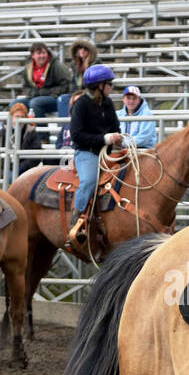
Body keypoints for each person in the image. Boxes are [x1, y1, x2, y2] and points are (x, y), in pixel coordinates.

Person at [66, 64, 122, 245]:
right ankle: (76, 220)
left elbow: (115, 127)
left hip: (107, 152)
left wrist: (118, 138)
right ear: (100, 85)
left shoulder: (108, 103)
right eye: (109, 84)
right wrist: (104, 139)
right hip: (87, 153)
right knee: (89, 180)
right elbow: (77, 136)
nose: (111, 88)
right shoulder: (81, 104)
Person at [21, 42, 72, 122]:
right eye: (39, 53)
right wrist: (32, 93)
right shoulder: (28, 67)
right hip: (34, 97)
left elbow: (66, 85)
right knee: (16, 104)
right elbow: (25, 86)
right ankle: (21, 132)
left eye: (44, 53)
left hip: (55, 98)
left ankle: (41, 133)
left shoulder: (56, 65)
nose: (42, 56)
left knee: (35, 103)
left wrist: (46, 92)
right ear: (33, 55)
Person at [58, 38, 98, 119]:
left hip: (92, 95)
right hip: (77, 94)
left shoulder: (95, 64)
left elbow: (95, 86)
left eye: (85, 48)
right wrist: (74, 95)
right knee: (62, 99)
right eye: (80, 48)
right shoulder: (75, 64)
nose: (82, 50)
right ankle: (66, 128)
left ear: (90, 51)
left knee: (79, 100)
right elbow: (73, 84)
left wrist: (81, 94)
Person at [9, 102, 44, 174]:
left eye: (22, 117)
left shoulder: (31, 132)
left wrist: (21, 167)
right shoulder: (3, 131)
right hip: (7, 170)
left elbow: (36, 156)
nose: (20, 120)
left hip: (26, 171)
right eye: (17, 116)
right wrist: (11, 168)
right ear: (11, 117)